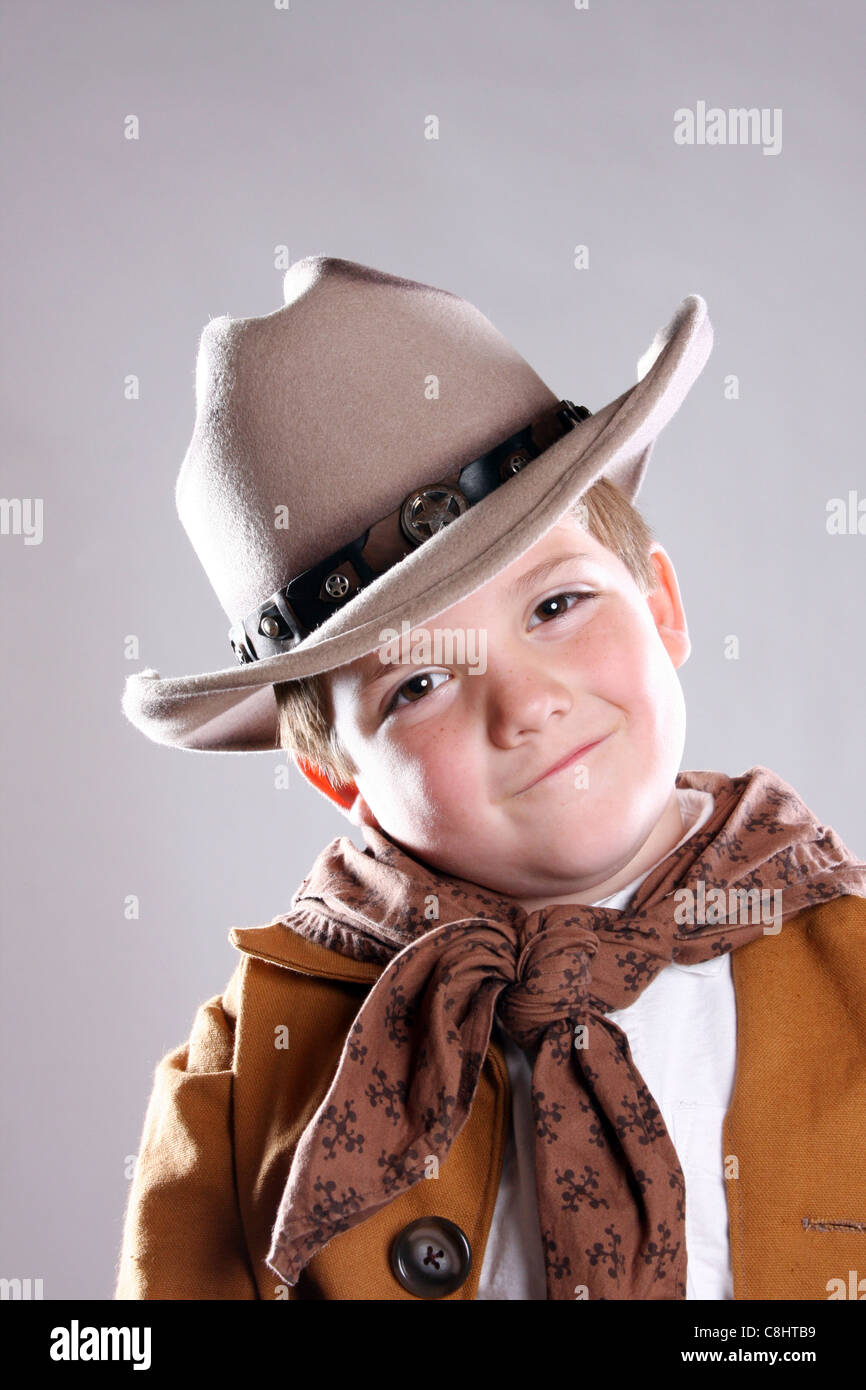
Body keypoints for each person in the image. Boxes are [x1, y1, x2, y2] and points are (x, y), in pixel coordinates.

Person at [116, 255, 866, 1301]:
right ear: (341, 782)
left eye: (556, 606)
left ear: (659, 606)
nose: (523, 705)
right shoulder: (250, 1073)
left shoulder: (848, 962)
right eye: (417, 681)